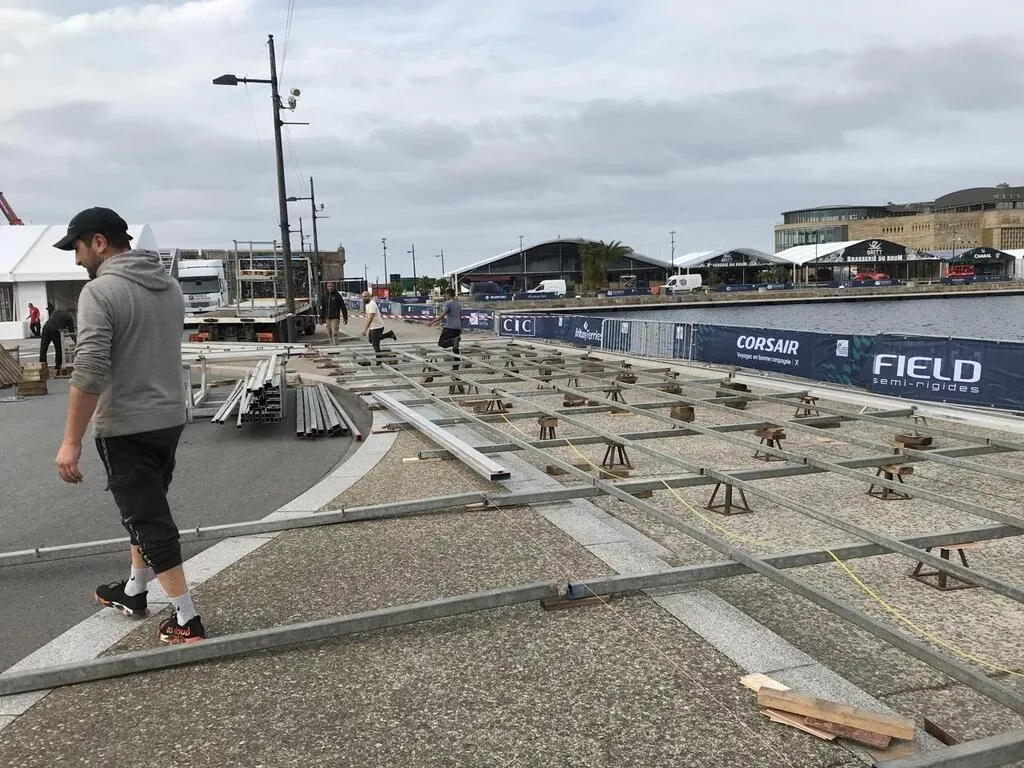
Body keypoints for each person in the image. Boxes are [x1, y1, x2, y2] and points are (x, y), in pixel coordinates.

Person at [52, 206, 205, 644]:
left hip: (126, 426)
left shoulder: (101, 292)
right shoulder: (168, 286)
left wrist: (70, 442)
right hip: (169, 419)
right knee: (145, 509)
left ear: (99, 242)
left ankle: (186, 619)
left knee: (147, 518)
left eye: (78, 248)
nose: (77, 259)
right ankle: (135, 590)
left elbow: (89, 370)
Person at [360, 290, 396, 360]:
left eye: (365, 297)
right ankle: (389, 334)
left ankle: (379, 360)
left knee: (375, 344)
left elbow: (370, 318)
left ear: (369, 296)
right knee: (371, 340)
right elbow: (368, 317)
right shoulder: (367, 304)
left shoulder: (372, 304)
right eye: (363, 297)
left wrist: (365, 329)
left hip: (378, 326)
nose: (364, 298)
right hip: (373, 327)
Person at [39, 305, 75, 372]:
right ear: (71, 312)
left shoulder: (56, 311)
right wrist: (76, 342)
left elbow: (52, 320)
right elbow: (71, 332)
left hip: (46, 328)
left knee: (43, 348)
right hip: (56, 330)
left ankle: (42, 366)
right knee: (58, 349)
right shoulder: (69, 316)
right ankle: (58, 366)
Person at [432, 288, 463, 358]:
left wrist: (433, 321)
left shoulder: (448, 303)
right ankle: (456, 365)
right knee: (455, 347)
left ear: (448, 294)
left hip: (450, 327)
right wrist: (461, 328)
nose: (445, 296)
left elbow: (443, 315)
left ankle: (453, 341)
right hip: (458, 327)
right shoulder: (458, 304)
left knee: (441, 343)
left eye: (446, 295)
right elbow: (460, 317)